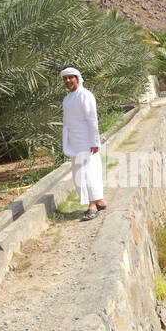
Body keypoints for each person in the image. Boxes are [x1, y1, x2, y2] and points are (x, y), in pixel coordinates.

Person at [60, 67, 107, 220]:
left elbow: (92, 120)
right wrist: (67, 144)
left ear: (77, 78)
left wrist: (94, 141)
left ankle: (92, 206)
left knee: (88, 173)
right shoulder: (67, 99)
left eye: (70, 78)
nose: (68, 81)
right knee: (79, 174)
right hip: (74, 143)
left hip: (87, 142)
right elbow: (67, 122)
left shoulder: (85, 95)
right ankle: (99, 200)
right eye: (65, 78)